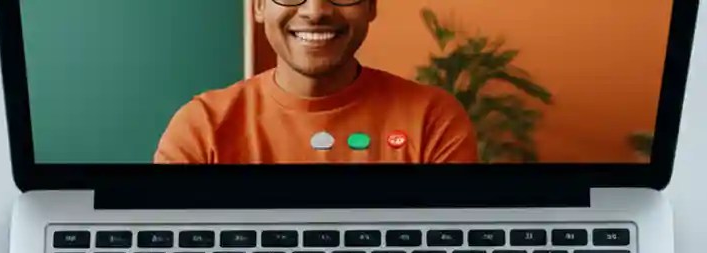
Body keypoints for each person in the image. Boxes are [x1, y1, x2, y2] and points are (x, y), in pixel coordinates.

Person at [155, 0, 479, 164]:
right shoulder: (202, 129)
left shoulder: (433, 121)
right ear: (258, 6)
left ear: (371, 6)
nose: (316, 11)